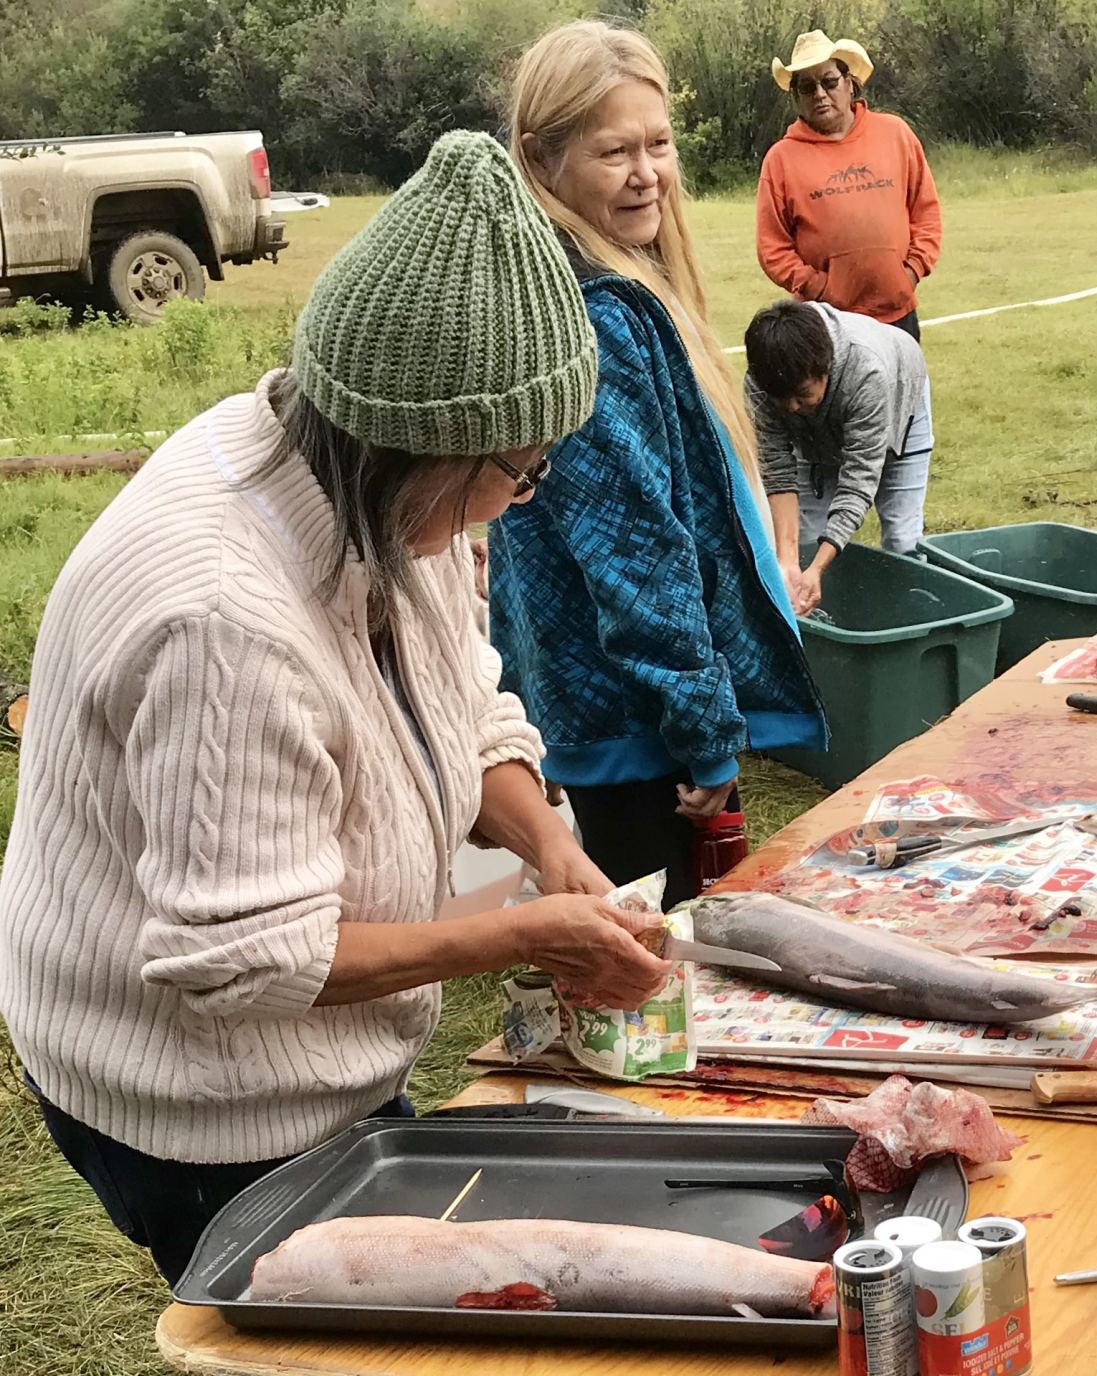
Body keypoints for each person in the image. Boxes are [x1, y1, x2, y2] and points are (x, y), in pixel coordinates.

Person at [0, 131, 673, 1284]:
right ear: (418, 449)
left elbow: (464, 693)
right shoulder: (223, 623)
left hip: (316, 1055)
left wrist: (551, 847)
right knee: (315, 1330)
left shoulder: (371, 487)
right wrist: (515, 933)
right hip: (203, 1104)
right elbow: (244, 957)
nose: (514, 505)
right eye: (520, 471)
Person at [495, 20, 827, 908]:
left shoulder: (615, 284)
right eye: (615, 151)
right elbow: (635, 552)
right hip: (643, 724)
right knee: (667, 969)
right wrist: (706, 729)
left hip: (631, 715)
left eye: (659, 143)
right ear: (541, 158)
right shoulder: (593, 319)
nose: (648, 172)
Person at [744, 299, 933, 615]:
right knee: (805, 543)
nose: (791, 407)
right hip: (821, 431)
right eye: (782, 399)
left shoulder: (867, 373)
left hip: (902, 399)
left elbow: (858, 482)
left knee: (902, 538)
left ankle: (910, 620)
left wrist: (817, 569)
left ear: (826, 366)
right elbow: (776, 469)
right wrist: (789, 560)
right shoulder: (762, 382)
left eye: (802, 394)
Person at [755, 30, 942, 339]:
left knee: (903, 387)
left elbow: (926, 212)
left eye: (829, 82)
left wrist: (911, 271)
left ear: (849, 82)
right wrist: (820, 287)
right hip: (827, 323)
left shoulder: (896, 134)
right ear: (797, 96)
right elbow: (772, 248)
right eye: (806, 86)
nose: (819, 94)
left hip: (898, 313)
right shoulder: (781, 159)